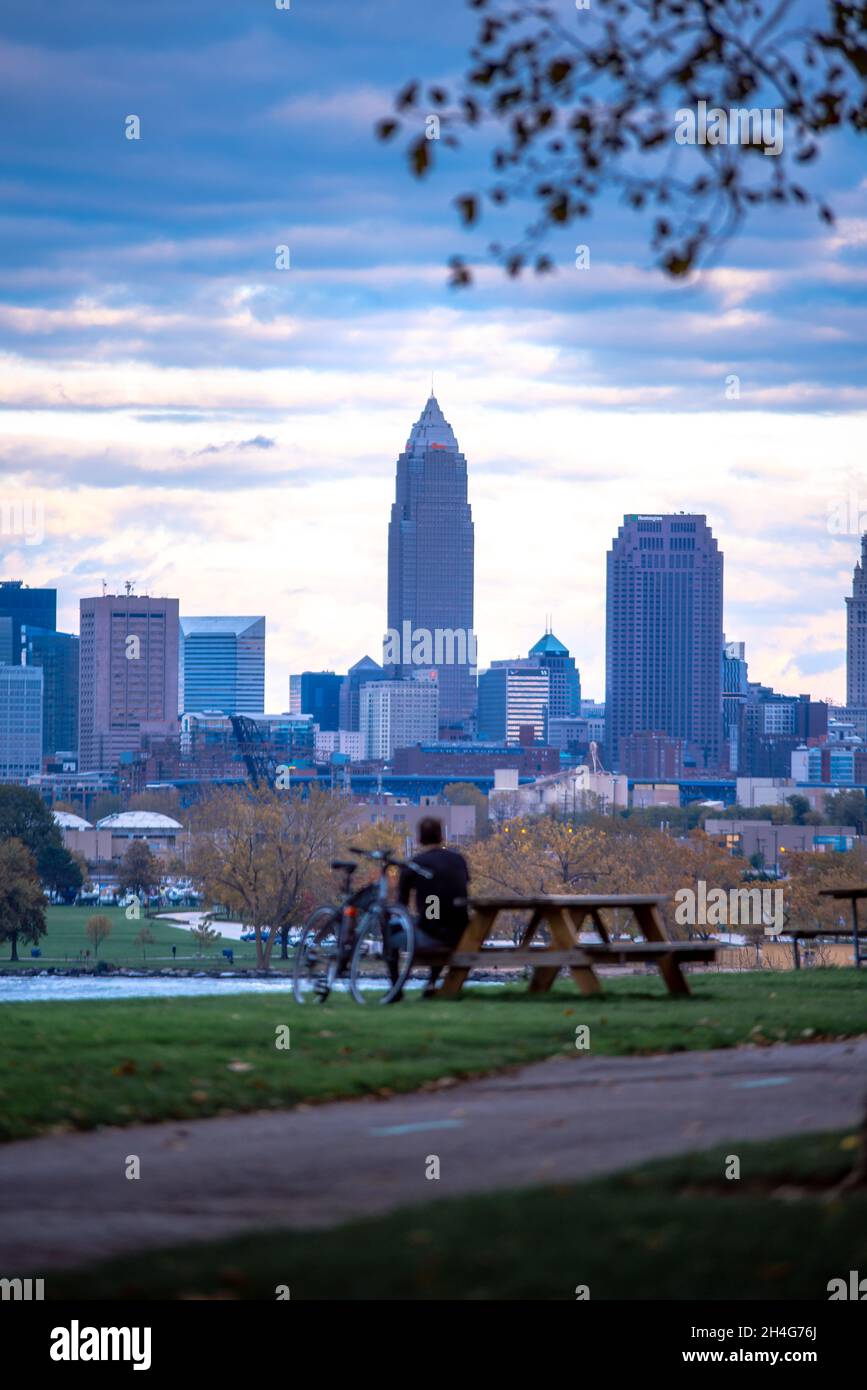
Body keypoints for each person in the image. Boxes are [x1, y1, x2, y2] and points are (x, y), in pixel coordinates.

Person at [397, 816, 470, 997]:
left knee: (397, 931)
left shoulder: (416, 863)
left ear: (420, 838)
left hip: (433, 932)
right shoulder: (458, 860)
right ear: (441, 836)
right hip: (462, 931)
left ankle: (395, 988)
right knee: (435, 915)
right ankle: (431, 982)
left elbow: (401, 905)